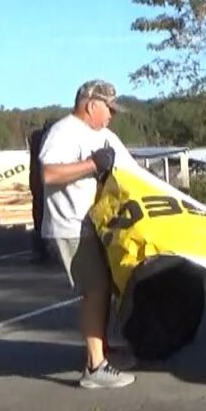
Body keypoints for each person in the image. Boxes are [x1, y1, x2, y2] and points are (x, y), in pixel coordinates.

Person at [39, 80, 138, 389]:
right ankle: (95, 368)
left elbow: (132, 171)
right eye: (108, 109)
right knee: (95, 290)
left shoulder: (104, 135)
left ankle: (102, 351)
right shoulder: (64, 132)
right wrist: (91, 164)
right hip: (70, 225)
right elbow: (48, 174)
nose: (112, 115)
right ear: (90, 104)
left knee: (106, 287)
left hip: (96, 224)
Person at [26, 118, 56, 263]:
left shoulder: (36, 137)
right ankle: (45, 248)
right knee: (45, 214)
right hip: (45, 180)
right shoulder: (49, 138)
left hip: (36, 179)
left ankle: (39, 248)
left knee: (38, 213)